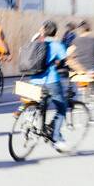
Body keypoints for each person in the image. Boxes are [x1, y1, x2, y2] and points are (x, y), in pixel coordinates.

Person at [30, 19, 71, 151]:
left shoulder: (37, 42)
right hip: (50, 80)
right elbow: (66, 61)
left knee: (43, 104)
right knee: (61, 107)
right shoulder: (57, 45)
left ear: (43, 30)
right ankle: (56, 138)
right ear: (55, 32)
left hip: (34, 80)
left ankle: (37, 124)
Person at [67, 19, 94, 106]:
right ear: (89, 29)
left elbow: (69, 52)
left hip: (79, 69)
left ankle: (83, 93)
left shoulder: (76, 40)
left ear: (80, 30)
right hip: (91, 69)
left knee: (80, 79)